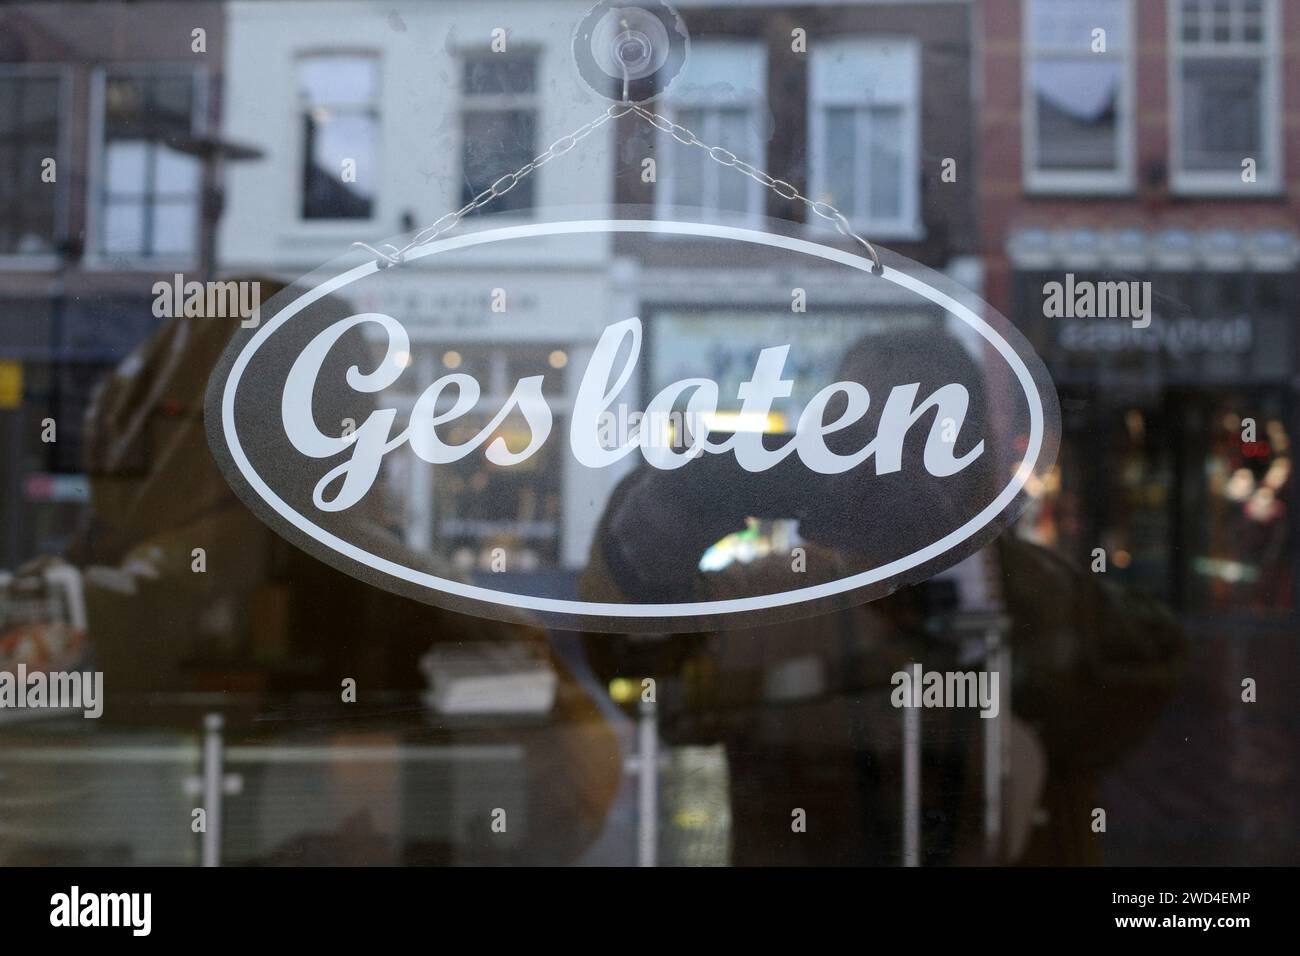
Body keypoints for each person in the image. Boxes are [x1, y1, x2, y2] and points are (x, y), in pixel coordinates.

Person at [581, 327, 1186, 865]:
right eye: (858, 441)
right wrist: (662, 523)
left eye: (923, 438)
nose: (887, 467)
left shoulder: (1039, 596)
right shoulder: (777, 598)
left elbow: (1132, 687)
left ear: (978, 460)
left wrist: (951, 557)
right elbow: (647, 683)